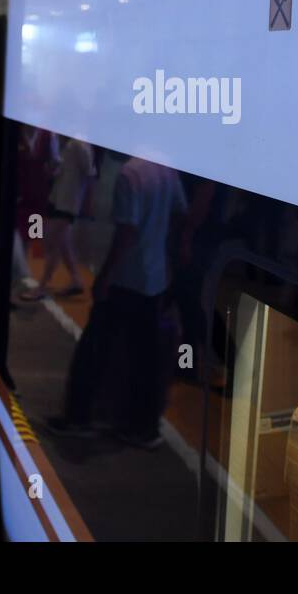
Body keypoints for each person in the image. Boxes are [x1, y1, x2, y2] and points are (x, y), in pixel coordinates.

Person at [47, 155, 186, 449]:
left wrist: (105, 277)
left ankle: (78, 417)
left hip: (126, 279)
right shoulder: (166, 167)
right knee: (146, 358)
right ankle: (144, 427)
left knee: (93, 348)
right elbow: (179, 214)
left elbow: (126, 232)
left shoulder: (130, 174)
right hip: (154, 279)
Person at [21, 134, 95, 300]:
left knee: (51, 240)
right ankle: (76, 279)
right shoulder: (68, 143)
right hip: (58, 198)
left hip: (68, 202)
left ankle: (41, 287)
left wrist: (87, 206)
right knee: (61, 242)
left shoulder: (78, 144)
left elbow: (89, 173)